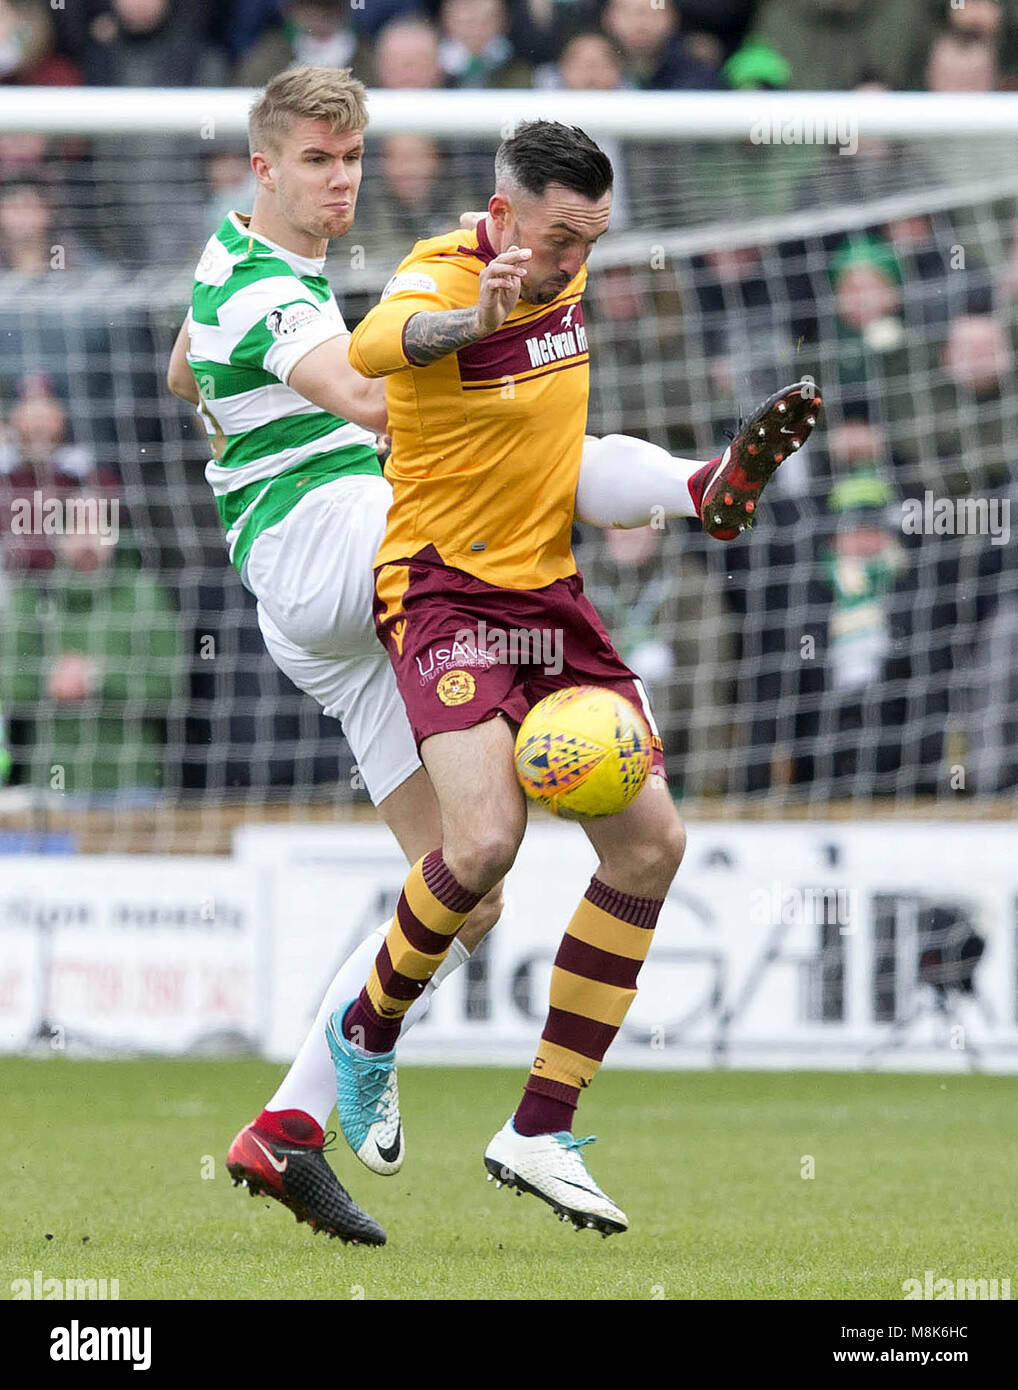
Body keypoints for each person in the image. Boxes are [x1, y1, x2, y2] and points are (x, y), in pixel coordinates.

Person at [167, 66, 818, 1245]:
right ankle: (687, 486)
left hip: (334, 601)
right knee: (494, 487)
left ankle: (290, 1122)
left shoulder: (229, 262)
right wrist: (465, 336)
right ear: (261, 165)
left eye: (353, 156)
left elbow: (182, 368)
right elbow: (366, 391)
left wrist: (227, 399)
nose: (342, 180)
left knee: (467, 895)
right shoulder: (280, 293)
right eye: (317, 161)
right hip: (328, 546)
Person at [338, 119, 820, 1234]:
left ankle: (540, 1126)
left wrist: (680, 486)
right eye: (558, 238)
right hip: (444, 592)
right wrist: (479, 318)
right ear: (503, 214)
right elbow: (375, 345)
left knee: (653, 845)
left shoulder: (568, 258)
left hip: (548, 593)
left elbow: (567, 460)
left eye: (591, 238)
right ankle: (365, 1035)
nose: (573, 260)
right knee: (483, 845)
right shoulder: (444, 271)